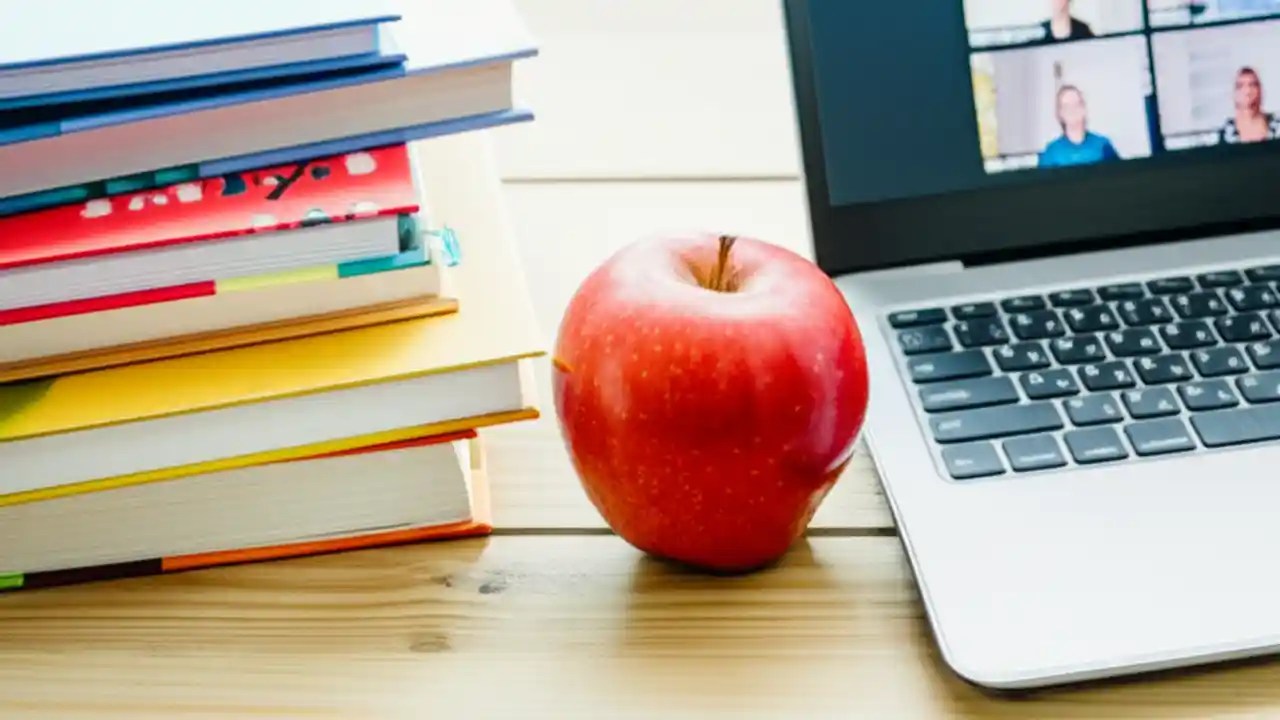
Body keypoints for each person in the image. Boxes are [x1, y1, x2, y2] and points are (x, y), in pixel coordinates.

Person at [1038, 85, 1122, 168]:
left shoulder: (1103, 145)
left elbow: (1120, 177)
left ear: (1084, 108)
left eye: (1076, 104)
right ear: (1059, 113)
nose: (1072, 110)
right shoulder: (1051, 152)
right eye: (1066, 106)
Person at [1219, 67, 1280, 144]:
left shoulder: (1277, 126)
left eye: (1253, 85)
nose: (1247, 91)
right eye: (1240, 86)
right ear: (1234, 94)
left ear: (1261, 91)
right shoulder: (1225, 134)